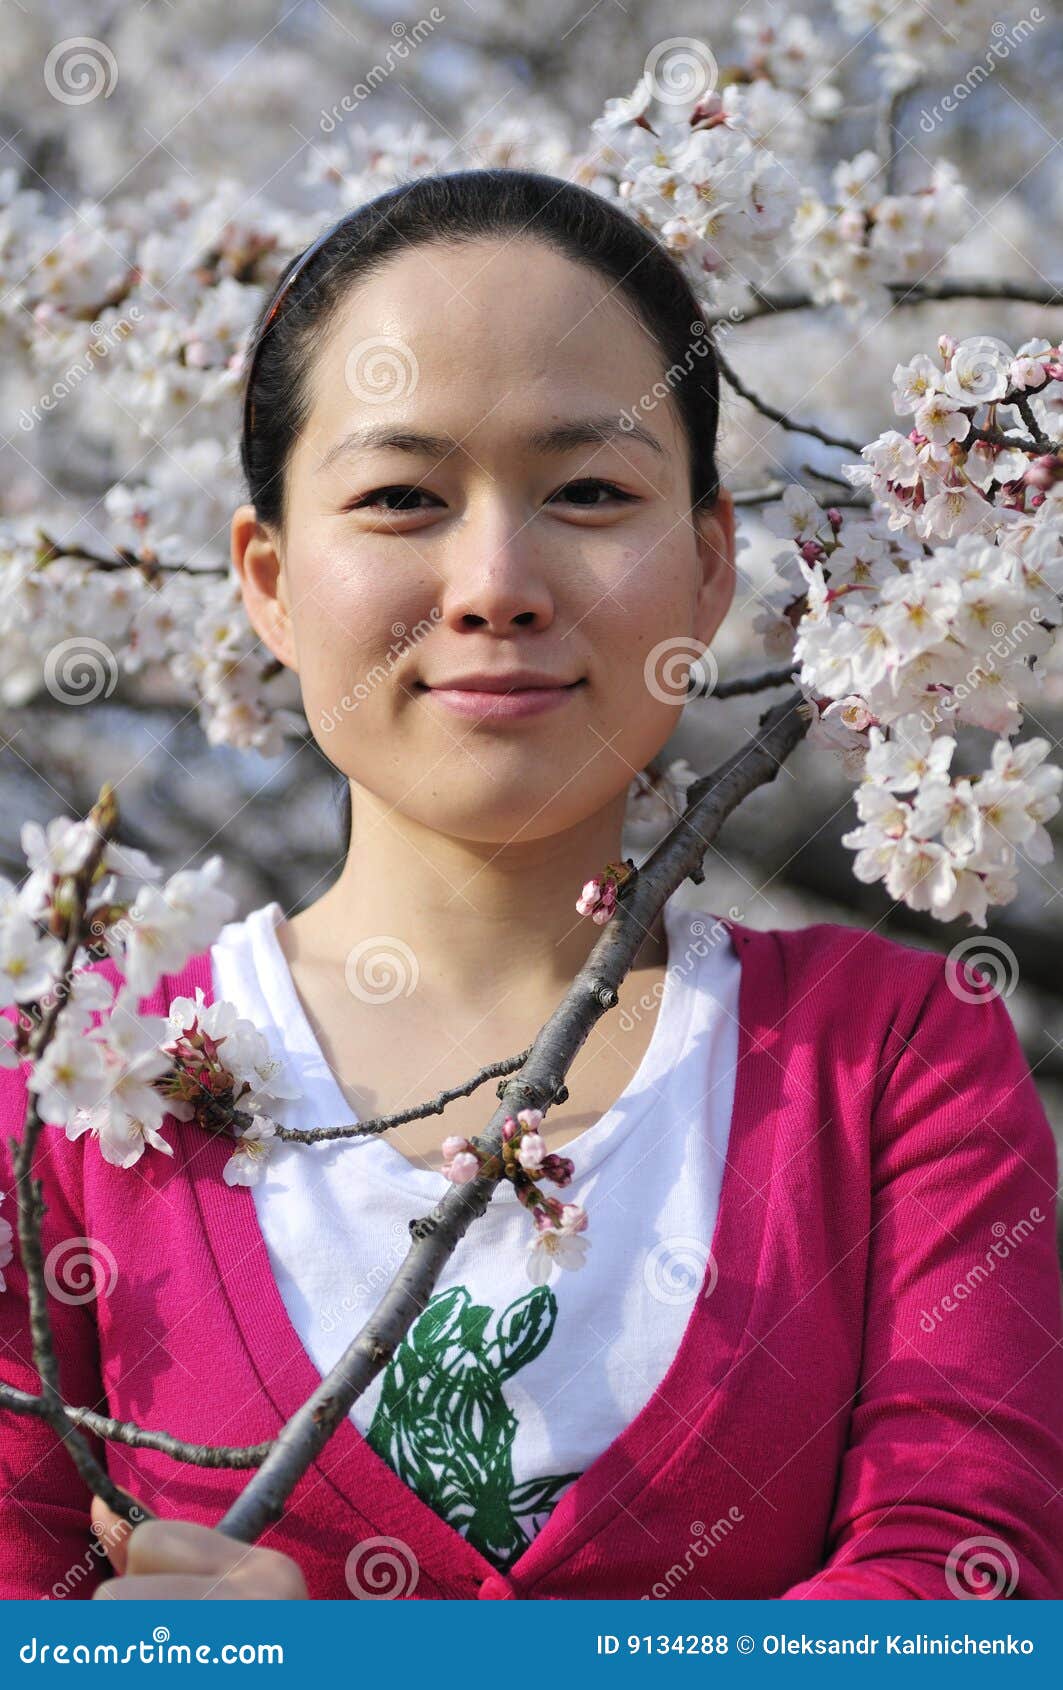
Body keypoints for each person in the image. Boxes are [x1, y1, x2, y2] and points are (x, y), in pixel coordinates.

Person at [2, 170, 1062, 1603]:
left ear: (708, 567)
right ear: (268, 579)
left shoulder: (892, 1060)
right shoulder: (67, 1083)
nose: (496, 581)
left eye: (589, 492)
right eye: (400, 497)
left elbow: (967, 1600)